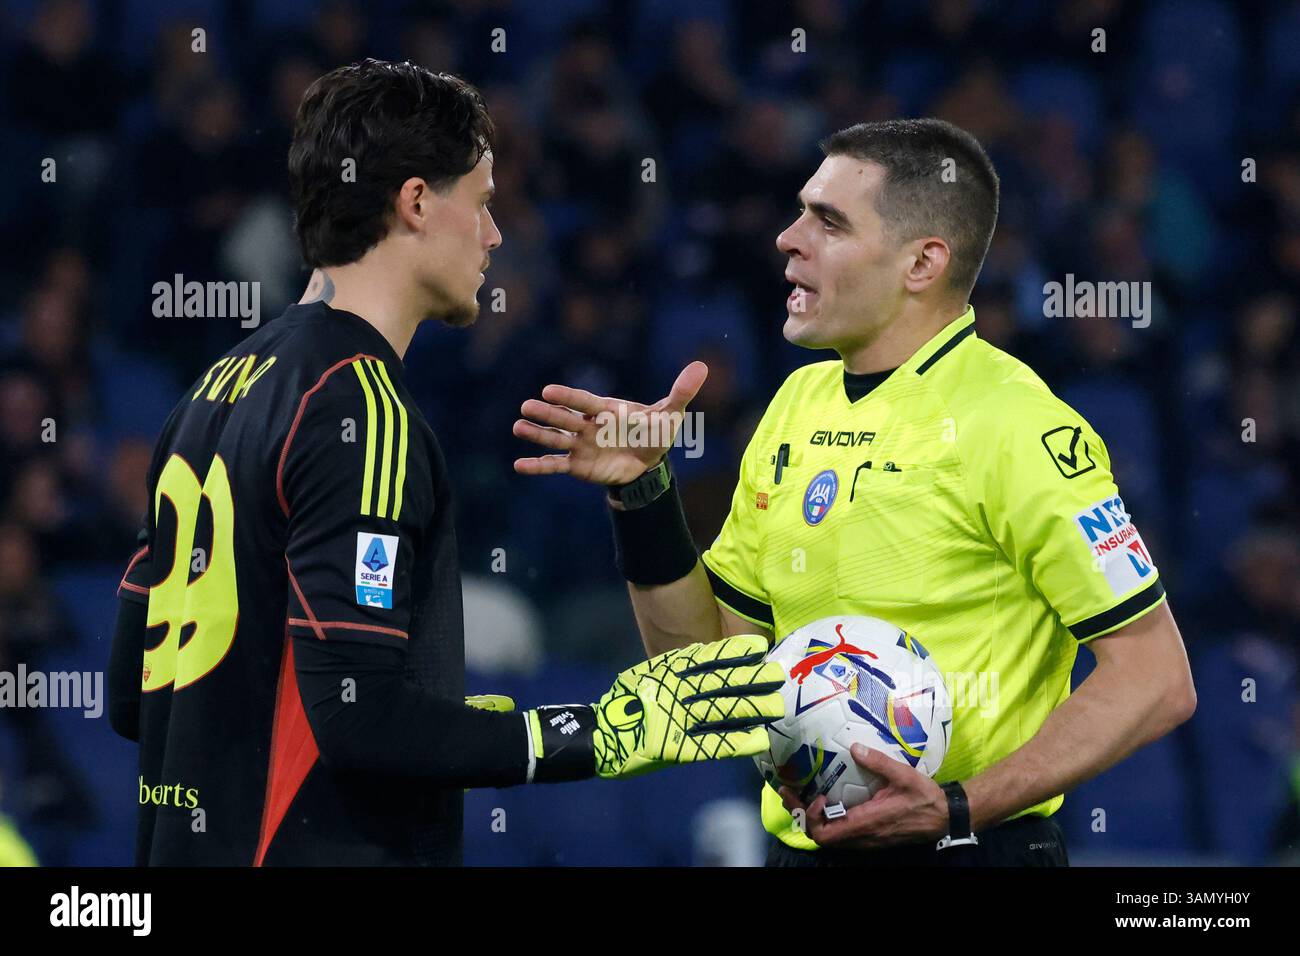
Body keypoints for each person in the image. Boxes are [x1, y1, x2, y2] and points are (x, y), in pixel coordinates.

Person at [106, 59, 783, 867]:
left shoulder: (211, 393)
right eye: (485, 203)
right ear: (418, 202)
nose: (497, 236)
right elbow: (357, 719)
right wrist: (593, 732)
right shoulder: (363, 411)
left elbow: (131, 696)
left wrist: (442, 723)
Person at [514, 118, 1196, 866]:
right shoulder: (796, 405)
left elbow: (1155, 677)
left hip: (973, 851)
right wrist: (644, 494)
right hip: (803, 852)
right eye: (802, 209)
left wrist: (957, 808)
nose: (788, 237)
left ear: (922, 263)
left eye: (828, 222)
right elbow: (708, 665)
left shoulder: (1018, 426)